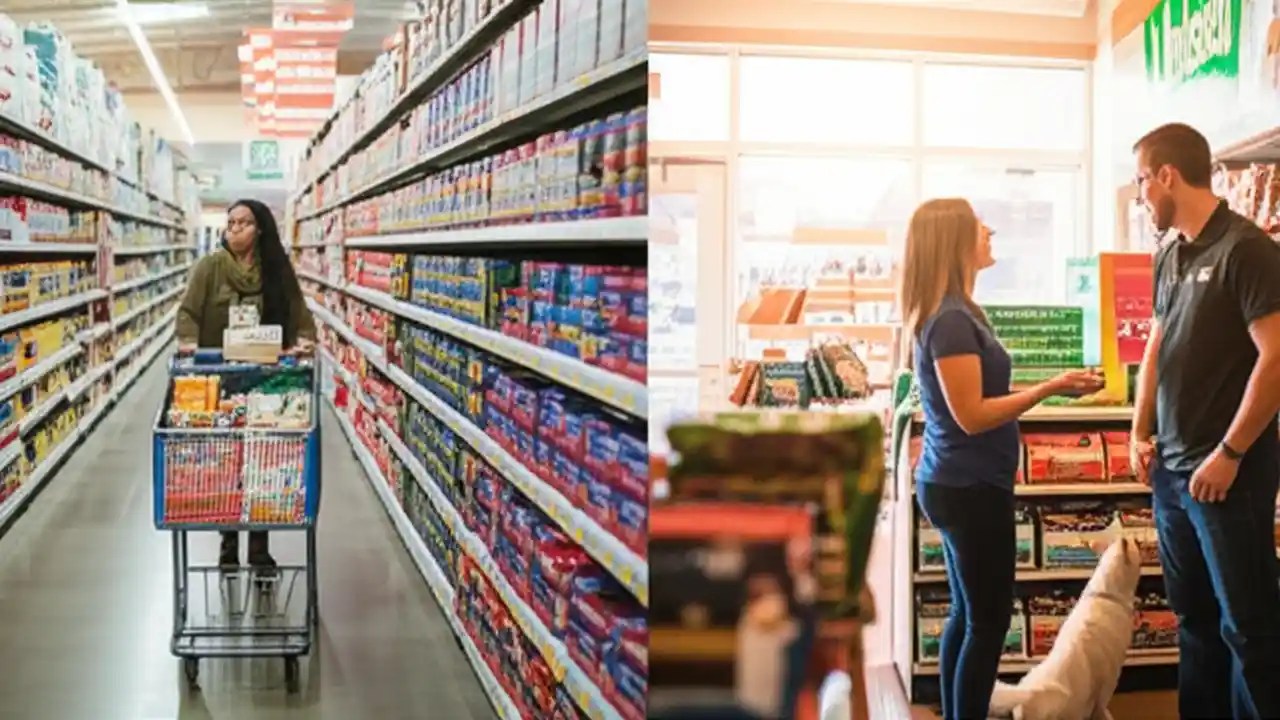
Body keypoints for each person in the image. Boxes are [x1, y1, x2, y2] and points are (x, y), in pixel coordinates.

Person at [900, 198, 1101, 720]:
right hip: (969, 489)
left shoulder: (958, 310)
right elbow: (972, 414)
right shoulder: (949, 320)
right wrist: (1053, 387)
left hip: (959, 482)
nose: (989, 231)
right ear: (956, 242)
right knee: (987, 620)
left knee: (968, 615)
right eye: (979, 225)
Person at [1129, 122, 1280, 719]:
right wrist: (1140, 431)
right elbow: (1156, 350)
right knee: (1193, 621)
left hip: (1226, 477)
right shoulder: (1171, 252)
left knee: (1249, 627)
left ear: (1168, 175)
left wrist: (1233, 452)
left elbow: (1276, 357)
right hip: (1171, 473)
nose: (1141, 195)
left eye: (1142, 180)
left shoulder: (1247, 249)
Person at [175, 198, 317, 573]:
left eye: (243, 222)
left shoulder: (277, 272)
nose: (234, 228)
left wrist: (303, 341)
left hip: (268, 381)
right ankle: (227, 541)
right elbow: (188, 312)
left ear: (261, 230)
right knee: (227, 462)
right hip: (221, 381)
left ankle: (258, 545)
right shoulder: (210, 267)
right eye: (230, 222)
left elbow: (299, 315)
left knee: (262, 462)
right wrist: (189, 344)